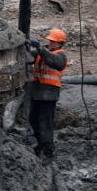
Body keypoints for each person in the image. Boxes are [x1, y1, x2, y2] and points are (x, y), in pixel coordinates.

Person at [27, 28, 68, 161]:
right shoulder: (44, 52)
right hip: (38, 92)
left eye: (53, 42)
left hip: (49, 94)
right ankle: (41, 143)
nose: (50, 43)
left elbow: (53, 61)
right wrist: (28, 47)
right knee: (33, 119)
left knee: (46, 123)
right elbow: (30, 57)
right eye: (50, 41)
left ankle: (48, 151)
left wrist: (40, 48)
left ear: (60, 43)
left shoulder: (60, 55)